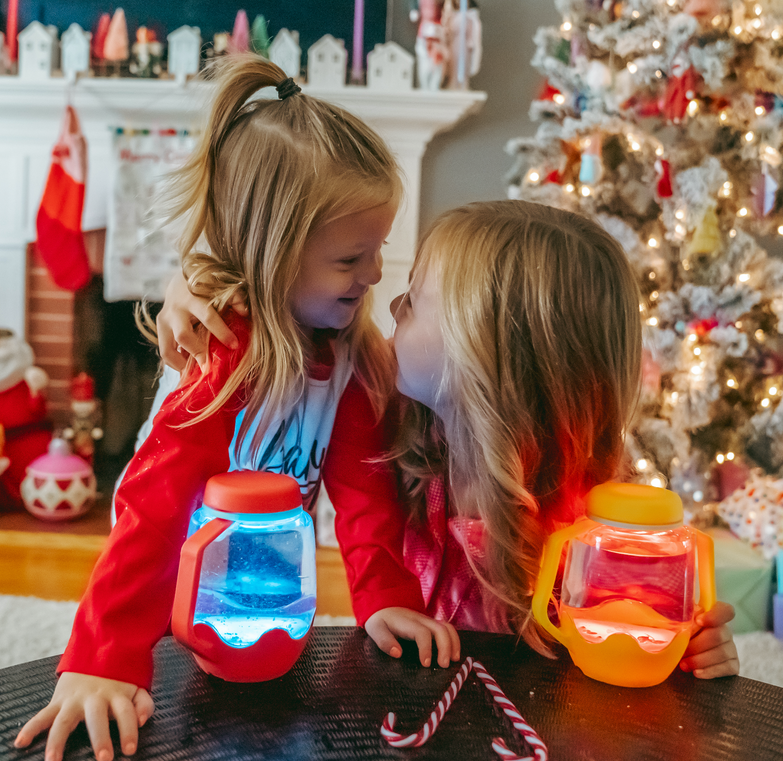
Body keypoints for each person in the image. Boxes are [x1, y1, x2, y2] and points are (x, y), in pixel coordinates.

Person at [14, 53, 444, 761]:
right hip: (179, 556)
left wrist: (386, 596)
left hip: (264, 578)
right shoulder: (225, 356)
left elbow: (365, 490)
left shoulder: (348, 355)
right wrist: (103, 656)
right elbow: (154, 507)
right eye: (350, 260)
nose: (372, 276)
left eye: (378, 251)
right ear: (274, 252)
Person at [152, 199, 740, 679]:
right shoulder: (389, 425)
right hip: (411, 704)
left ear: (487, 358)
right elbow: (289, 313)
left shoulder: (599, 533)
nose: (395, 303)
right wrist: (197, 290)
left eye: (418, 297)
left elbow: (646, 643)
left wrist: (695, 653)